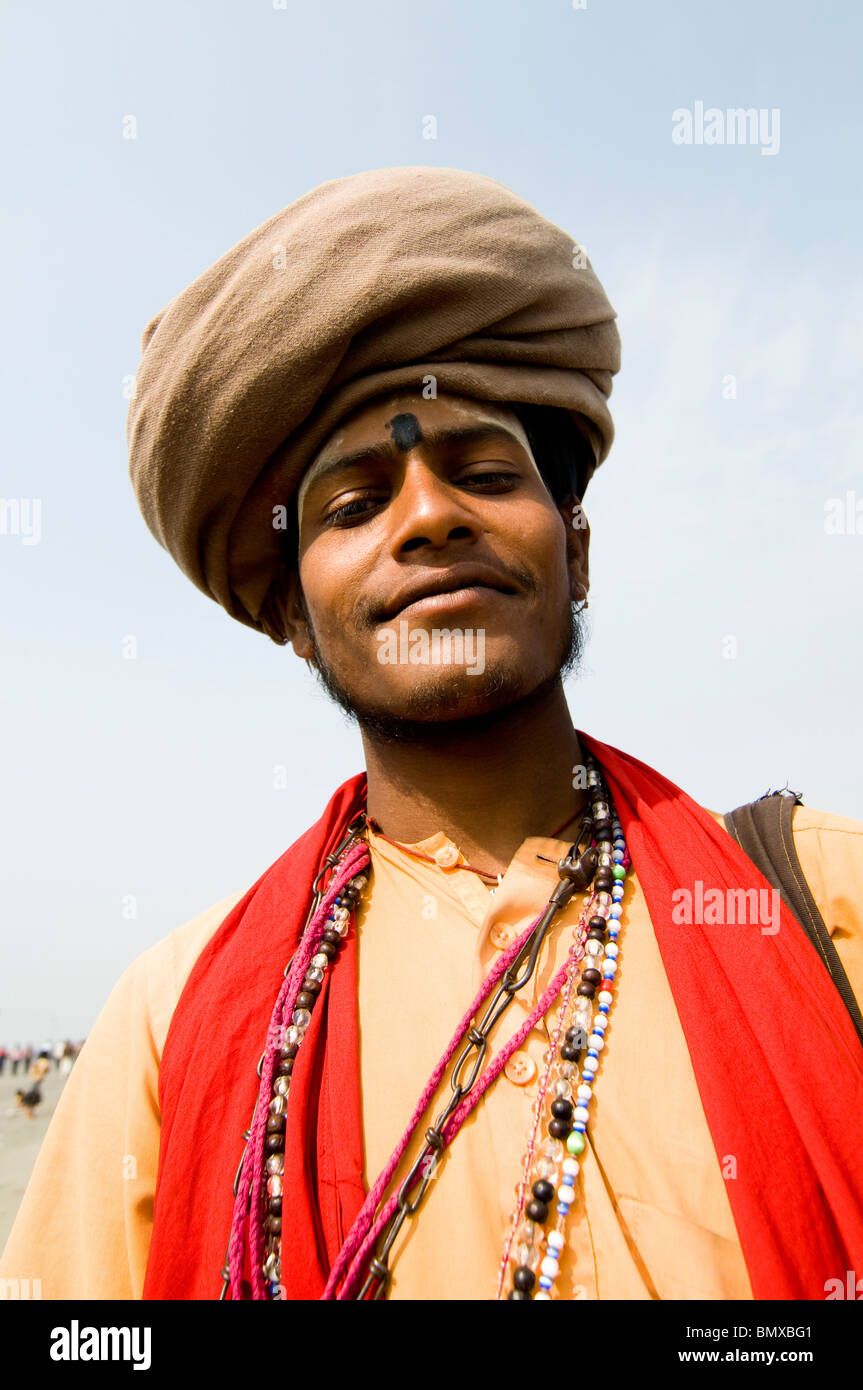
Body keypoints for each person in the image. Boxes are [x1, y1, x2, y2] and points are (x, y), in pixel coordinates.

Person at [2, 167, 862, 1303]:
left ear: (578, 553)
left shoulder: (819, 905)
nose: (428, 516)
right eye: (354, 505)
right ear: (296, 623)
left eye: (484, 473)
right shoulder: (172, 1026)